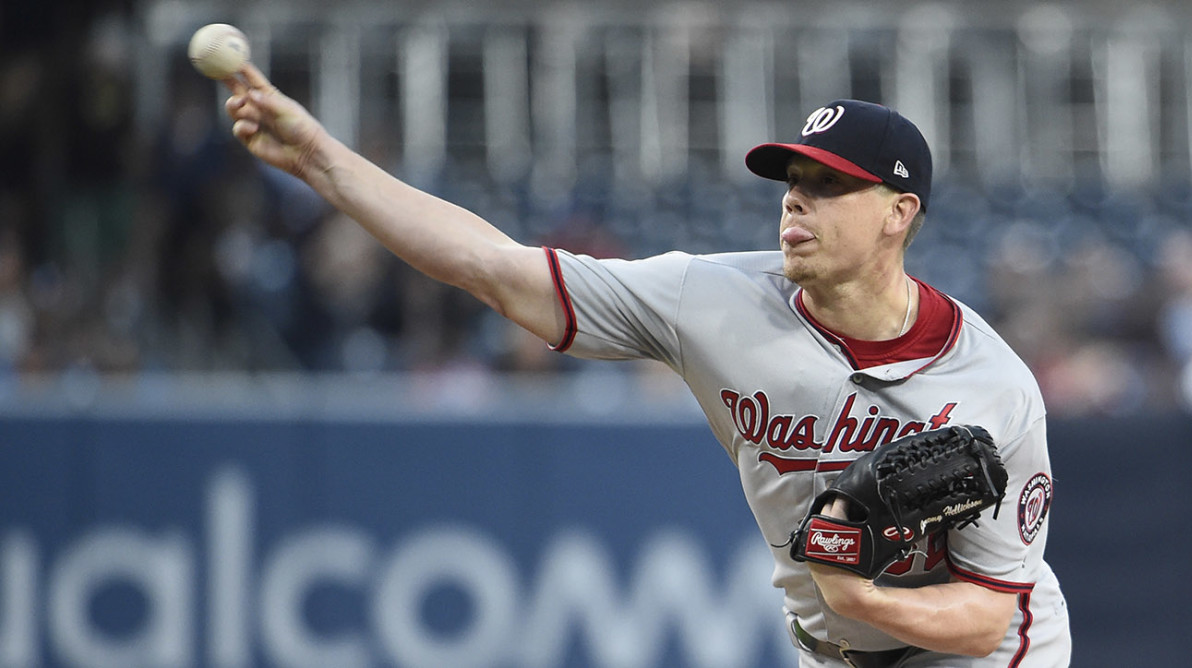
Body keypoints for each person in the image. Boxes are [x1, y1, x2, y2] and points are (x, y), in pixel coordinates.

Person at [222, 62, 1071, 666]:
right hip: (831, 651)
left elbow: (991, 613)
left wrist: (864, 599)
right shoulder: (711, 300)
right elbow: (493, 267)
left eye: (831, 183)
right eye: (792, 176)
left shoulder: (988, 387)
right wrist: (322, 164)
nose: (796, 197)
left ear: (900, 212)